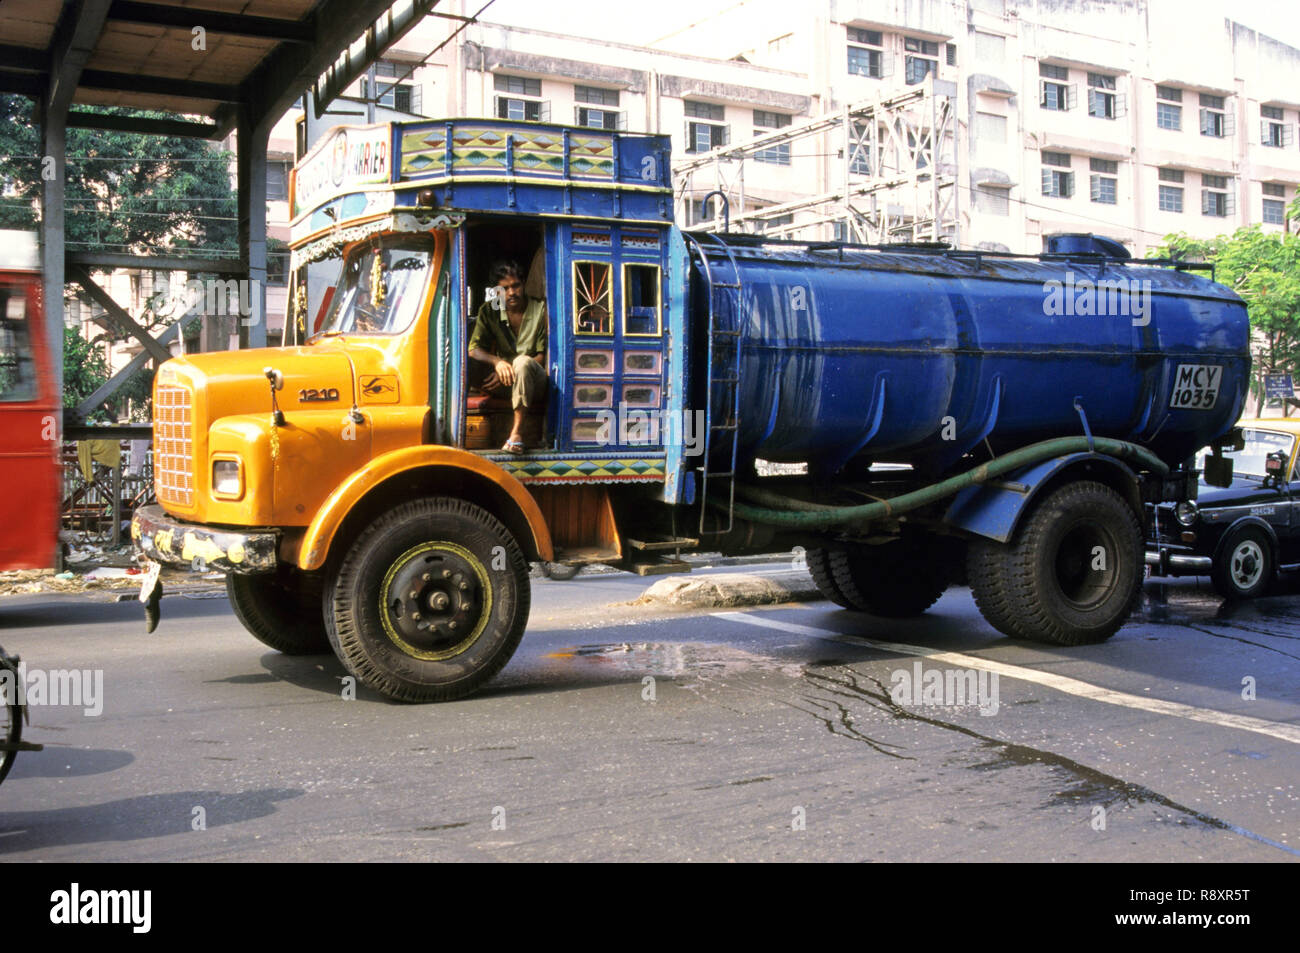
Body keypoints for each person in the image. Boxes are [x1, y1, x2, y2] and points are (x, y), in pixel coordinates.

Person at [469, 259, 547, 453]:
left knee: (522, 362)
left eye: (515, 286)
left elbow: (541, 357)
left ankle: (516, 434)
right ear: (496, 292)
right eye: (504, 289)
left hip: (536, 380)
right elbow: (474, 349)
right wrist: (497, 362)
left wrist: (509, 367)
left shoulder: (539, 309)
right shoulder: (490, 310)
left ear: (523, 284)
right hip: (507, 381)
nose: (511, 293)